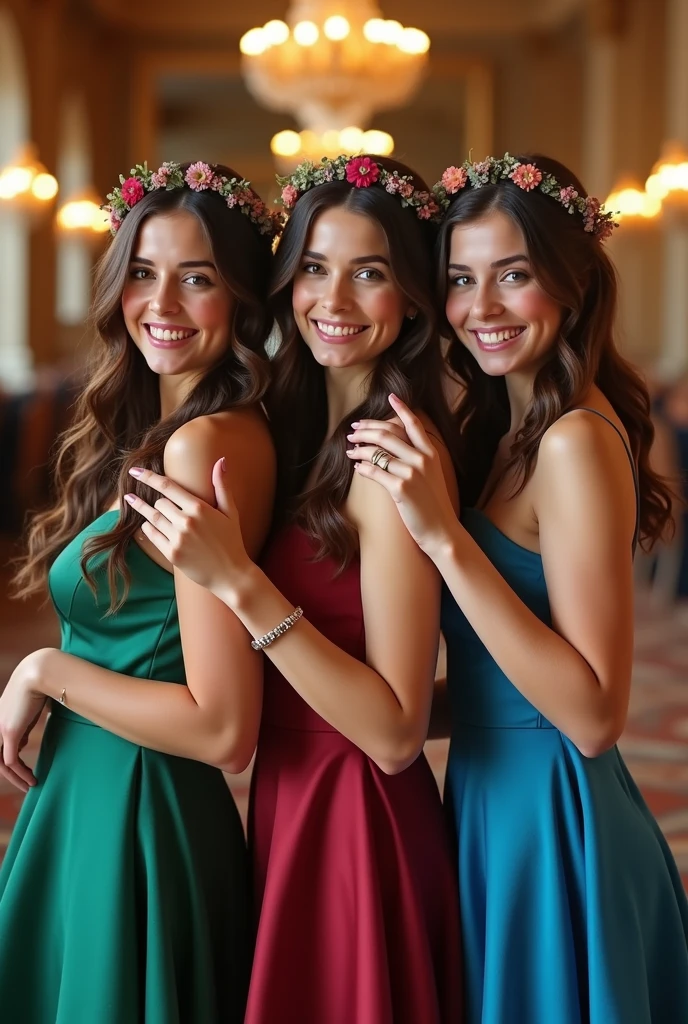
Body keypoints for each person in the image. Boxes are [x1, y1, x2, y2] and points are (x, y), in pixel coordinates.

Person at [346, 153, 688, 1023]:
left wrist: (442, 536)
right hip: (490, 797)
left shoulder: (574, 439)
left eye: (514, 276)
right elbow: (505, 680)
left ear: (571, 286)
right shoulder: (503, 429)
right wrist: (387, 711)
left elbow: (593, 713)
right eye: (461, 279)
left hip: (555, 818)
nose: (481, 309)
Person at [123, 154, 463, 1024]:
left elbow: (394, 732)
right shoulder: (304, 430)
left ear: (414, 298)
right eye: (314, 267)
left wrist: (239, 582)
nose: (334, 300)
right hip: (294, 799)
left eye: (370, 273)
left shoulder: (390, 460)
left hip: (359, 819)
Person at [0, 160, 277, 1023]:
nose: (160, 302)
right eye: (144, 273)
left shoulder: (203, 448)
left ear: (239, 298)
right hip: (94, 787)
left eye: (197, 278)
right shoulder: (175, 431)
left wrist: (43, 669)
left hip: (138, 807)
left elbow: (224, 727)